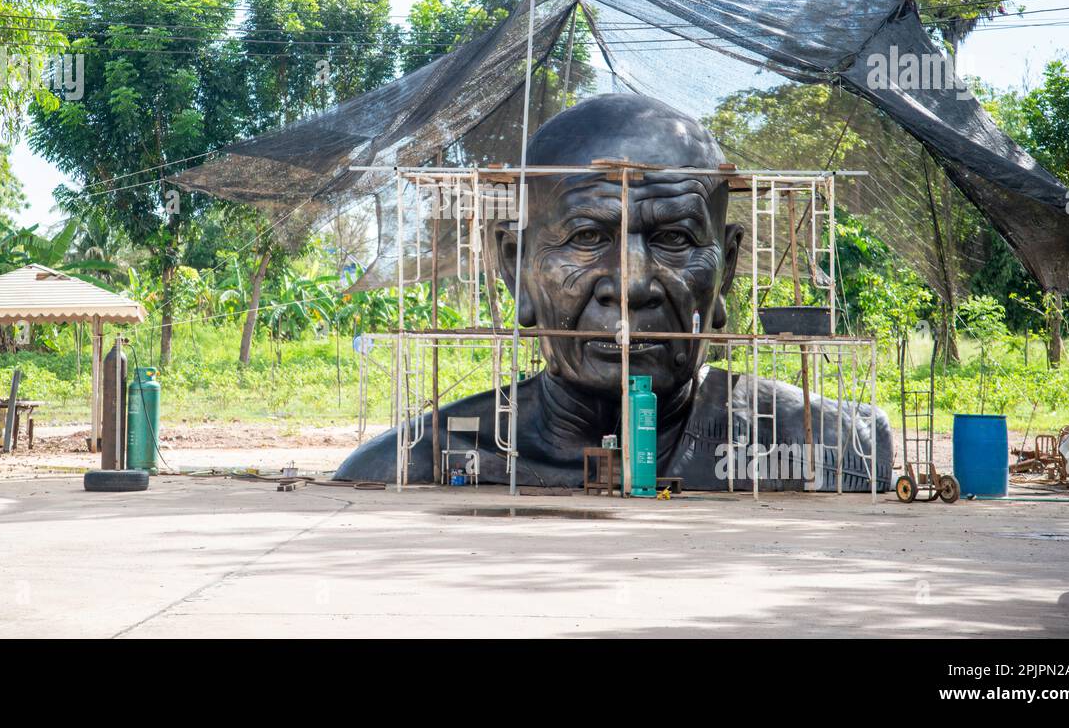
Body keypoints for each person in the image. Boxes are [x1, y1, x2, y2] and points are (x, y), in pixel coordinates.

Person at [336, 94, 891, 491]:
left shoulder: (836, 445)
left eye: (674, 238)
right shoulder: (422, 458)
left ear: (726, 268)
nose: (631, 285)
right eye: (586, 237)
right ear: (514, 267)